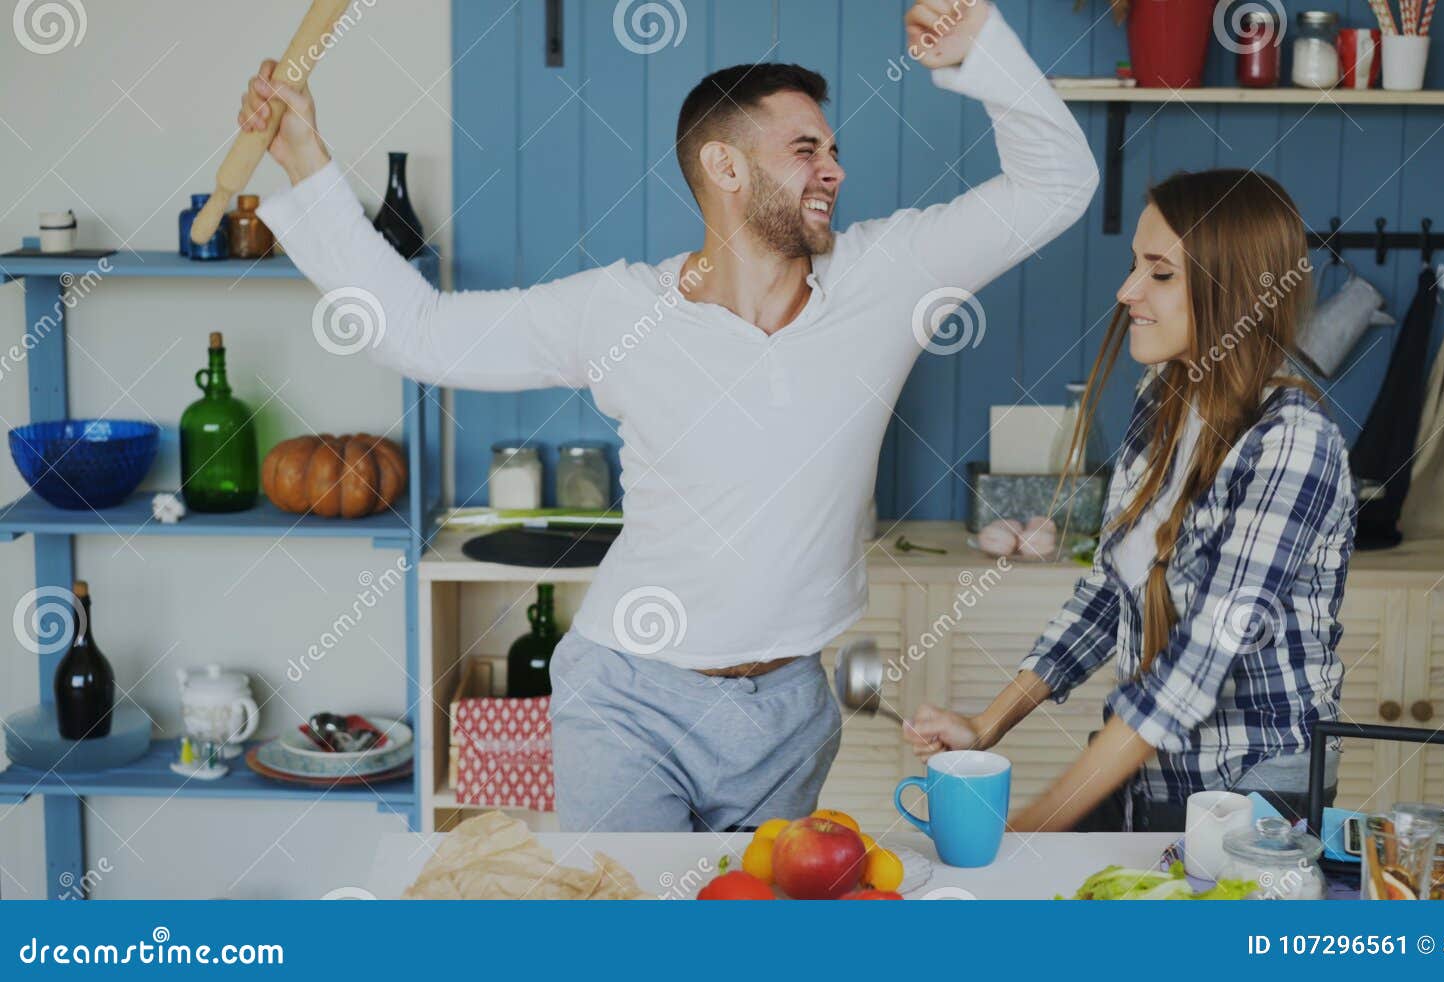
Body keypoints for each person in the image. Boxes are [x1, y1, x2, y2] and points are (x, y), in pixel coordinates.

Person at [238, 0, 1098, 831]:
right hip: (629, 700)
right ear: (725, 167)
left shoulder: (889, 277)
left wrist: (978, 45)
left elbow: (1058, 184)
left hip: (792, 709)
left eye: (834, 149)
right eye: (805, 150)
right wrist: (307, 160)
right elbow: (417, 331)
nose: (833, 169)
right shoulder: (619, 313)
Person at [906, 169, 1358, 832]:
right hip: (1152, 765)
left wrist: (1034, 826)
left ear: (1234, 290)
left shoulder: (1292, 444)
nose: (1126, 293)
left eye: (1160, 273)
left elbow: (1197, 666)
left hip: (1254, 785)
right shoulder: (1162, 401)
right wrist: (986, 723)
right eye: (1132, 267)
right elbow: (1110, 590)